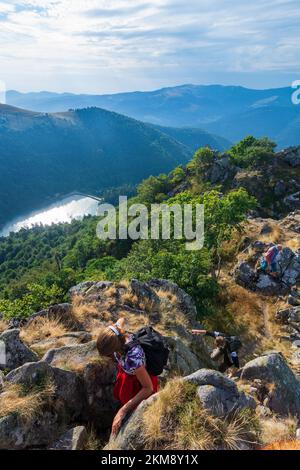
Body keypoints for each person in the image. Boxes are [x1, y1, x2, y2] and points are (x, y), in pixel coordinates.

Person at [96, 318, 160, 436]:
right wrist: (117, 326)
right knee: (122, 395)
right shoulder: (117, 333)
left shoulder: (133, 358)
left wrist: (123, 410)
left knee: (136, 411)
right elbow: (121, 319)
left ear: (115, 349)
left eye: (108, 354)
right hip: (128, 373)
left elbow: (148, 388)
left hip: (139, 382)